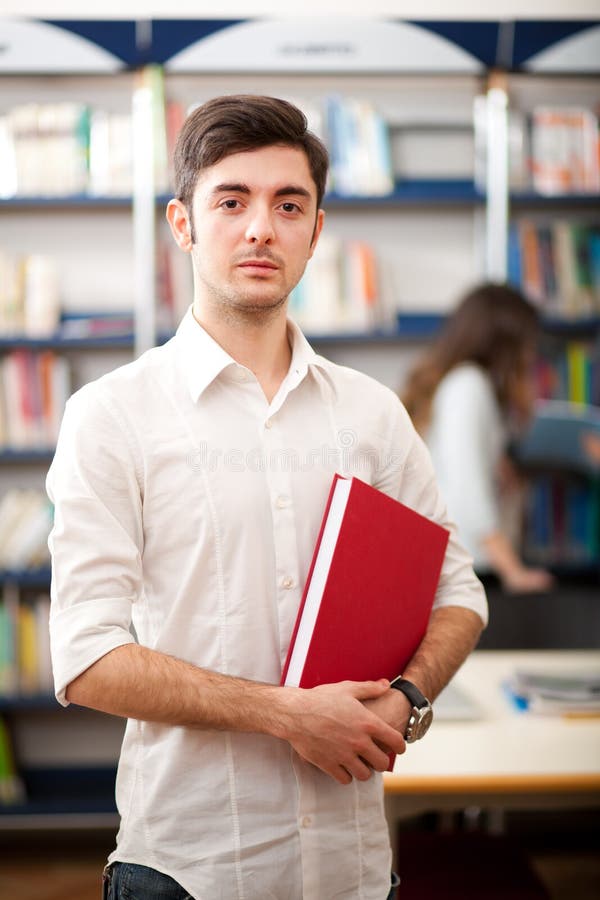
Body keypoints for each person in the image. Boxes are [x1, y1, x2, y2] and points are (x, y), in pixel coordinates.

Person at [47, 95, 488, 900]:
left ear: (316, 232)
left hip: (353, 869)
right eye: (231, 201)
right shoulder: (111, 415)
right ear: (181, 225)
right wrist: (287, 714)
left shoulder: (370, 411)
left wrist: (407, 700)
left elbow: (456, 592)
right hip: (187, 870)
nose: (261, 228)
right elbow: (85, 658)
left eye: (289, 205)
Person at [402, 282, 555, 594]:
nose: (530, 352)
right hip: (465, 572)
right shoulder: (468, 386)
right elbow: (468, 491)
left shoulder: (469, 385)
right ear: (505, 341)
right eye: (527, 341)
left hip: (461, 567)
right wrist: (514, 571)